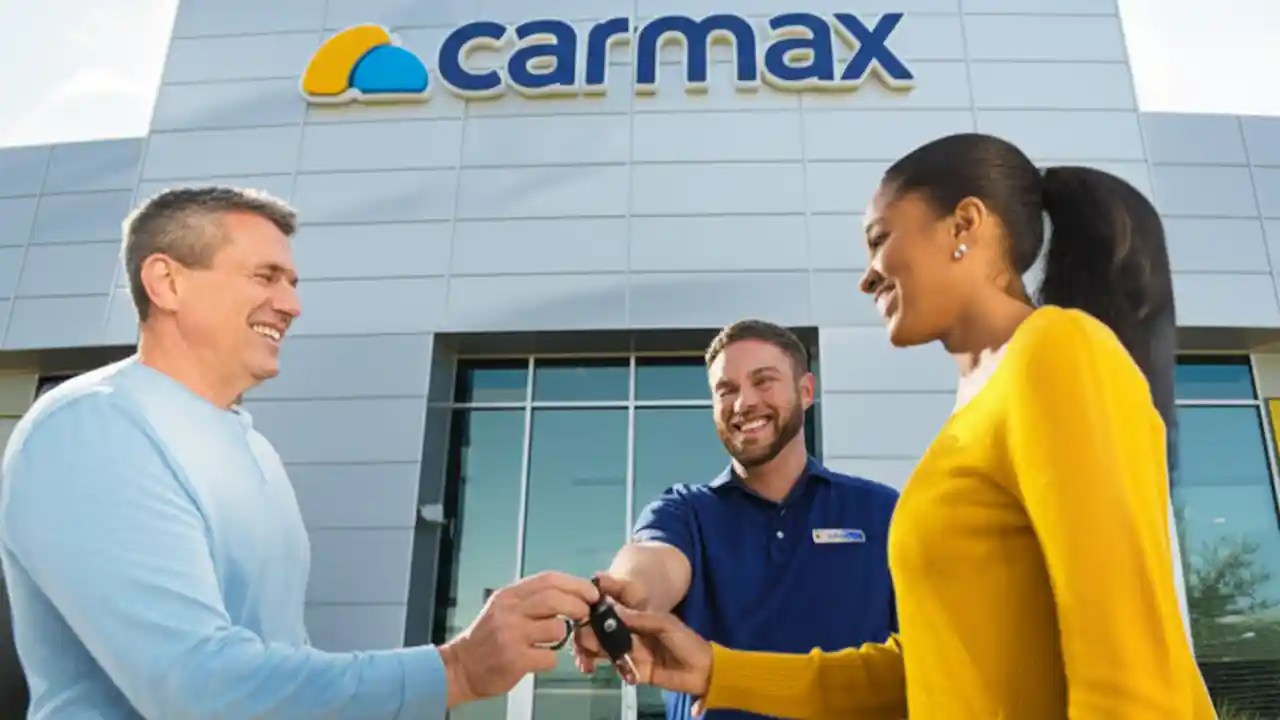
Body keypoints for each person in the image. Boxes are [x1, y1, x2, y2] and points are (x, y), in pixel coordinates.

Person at [590, 133, 1218, 718]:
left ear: (964, 224)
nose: (866, 276)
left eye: (878, 238)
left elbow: (1129, 649)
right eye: (725, 388)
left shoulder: (1058, 352)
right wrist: (717, 670)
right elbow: (928, 667)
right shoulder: (975, 412)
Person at [0, 187, 600, 719]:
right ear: (168, 282)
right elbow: (195, 689)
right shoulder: (95, 427)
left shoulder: (252, 448)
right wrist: (457, 671)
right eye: (265, 277)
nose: (292, 305)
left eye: (291, 283)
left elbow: (282, 665)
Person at [574, 319, 900, 720]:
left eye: (763, 381)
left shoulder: (882, 512)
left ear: (806, 391)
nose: (743, 402)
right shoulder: (686, 512)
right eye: (725, 390)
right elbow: (652, 562)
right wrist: (625, 597)